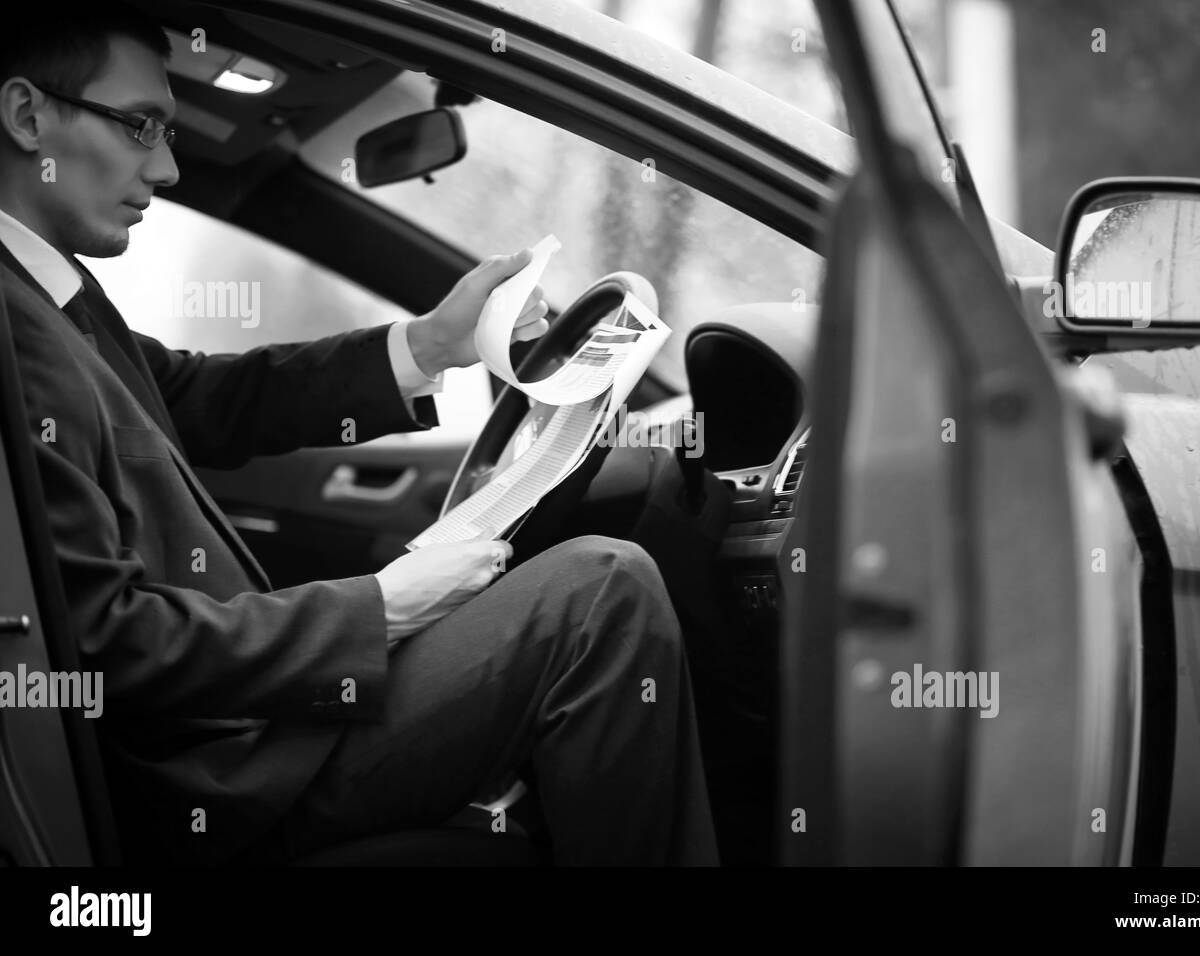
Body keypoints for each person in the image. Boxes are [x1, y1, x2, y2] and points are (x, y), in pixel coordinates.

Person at [0, 3, 718, 865]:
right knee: (604, 592)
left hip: (252, 735)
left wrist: (430, 346)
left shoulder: (50, 294)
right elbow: (109, 644)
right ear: (27, 115)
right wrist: (389, 603)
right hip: (220, 778)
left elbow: (199, 397)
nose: (168, 163)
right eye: (141, 124)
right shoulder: (11, 327)